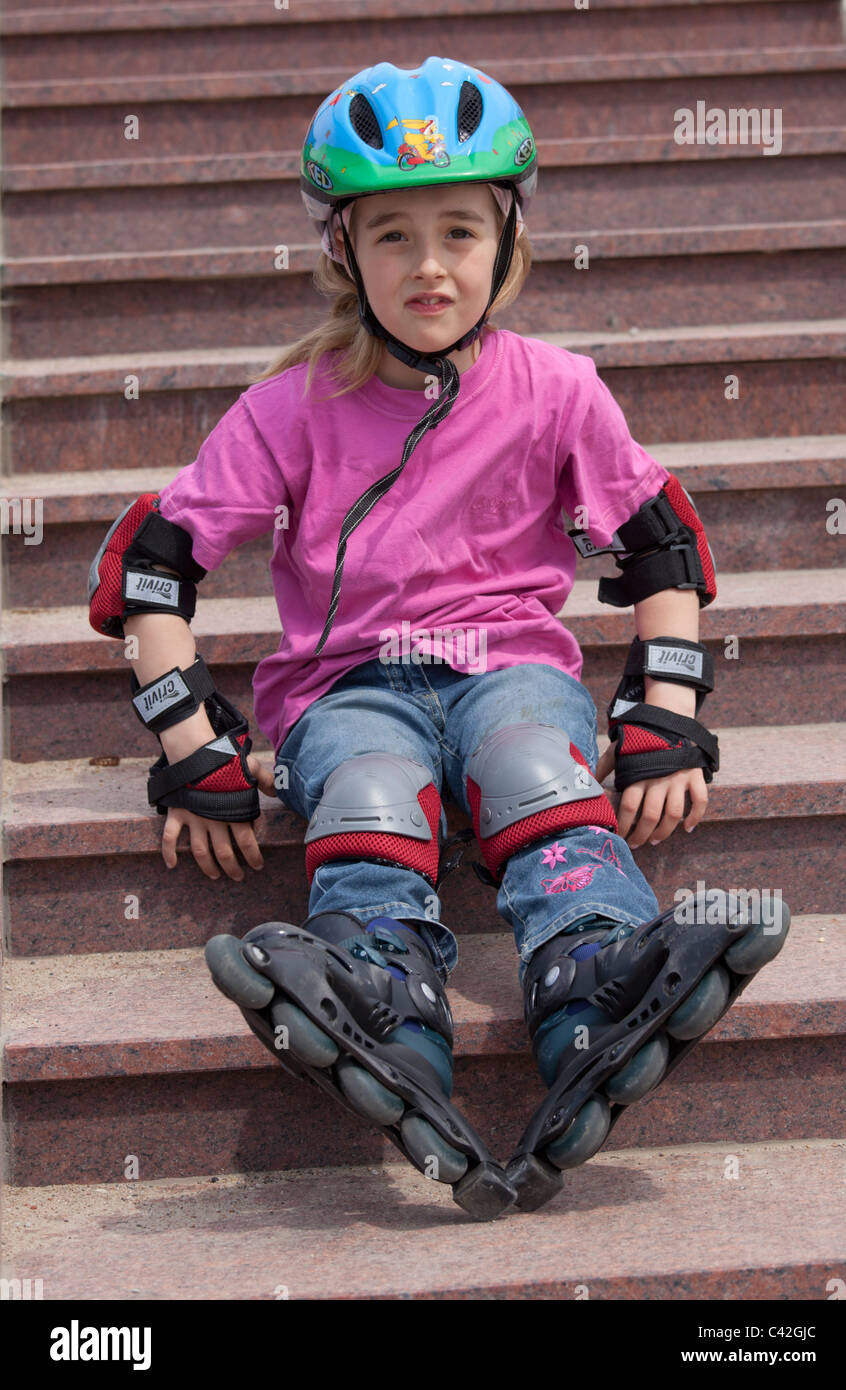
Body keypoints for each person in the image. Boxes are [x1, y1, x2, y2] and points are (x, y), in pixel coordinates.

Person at [87, 56, 790, 1222]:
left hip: (508, 669)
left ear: (507, 241)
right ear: (341, 254)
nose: (428, 265)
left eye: (459, 231)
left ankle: (590, 980)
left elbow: (661, 549)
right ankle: (384, 999)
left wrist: (665, 712)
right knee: (366, 785)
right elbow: (156, 561)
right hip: (342, 684)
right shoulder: (289, 404)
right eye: (393, 236)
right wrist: (187, 734)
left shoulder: (557, 390)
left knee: (525, 764)